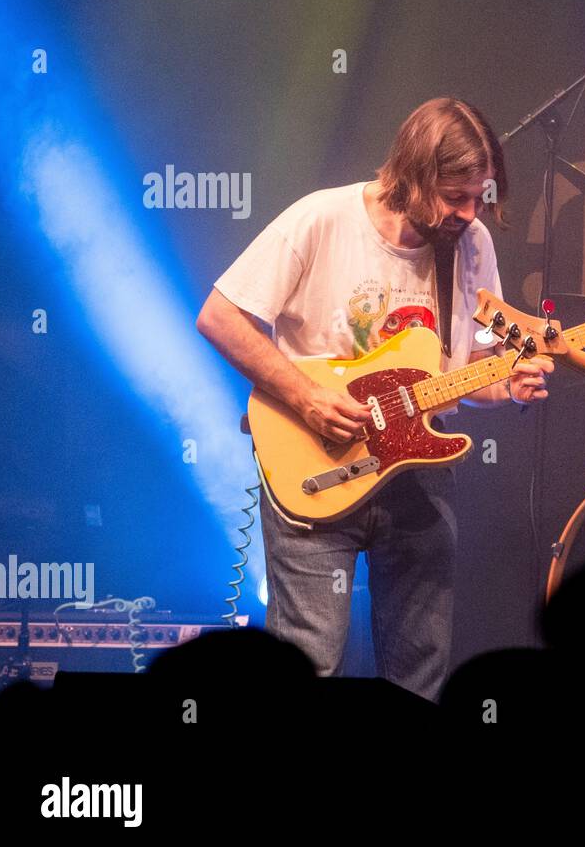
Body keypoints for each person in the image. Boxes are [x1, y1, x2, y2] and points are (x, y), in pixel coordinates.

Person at [196, 97, 552, 700]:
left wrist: (507, 384)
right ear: (412, 174)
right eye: (455, 196)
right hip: (317, 463)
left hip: (419, 475)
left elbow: (467, 373)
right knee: (309, 665)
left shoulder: (472, 244)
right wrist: (307, 398)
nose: (470, 213)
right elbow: (219, 316)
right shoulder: (322, 218)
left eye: (479, 196)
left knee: (420, 672)